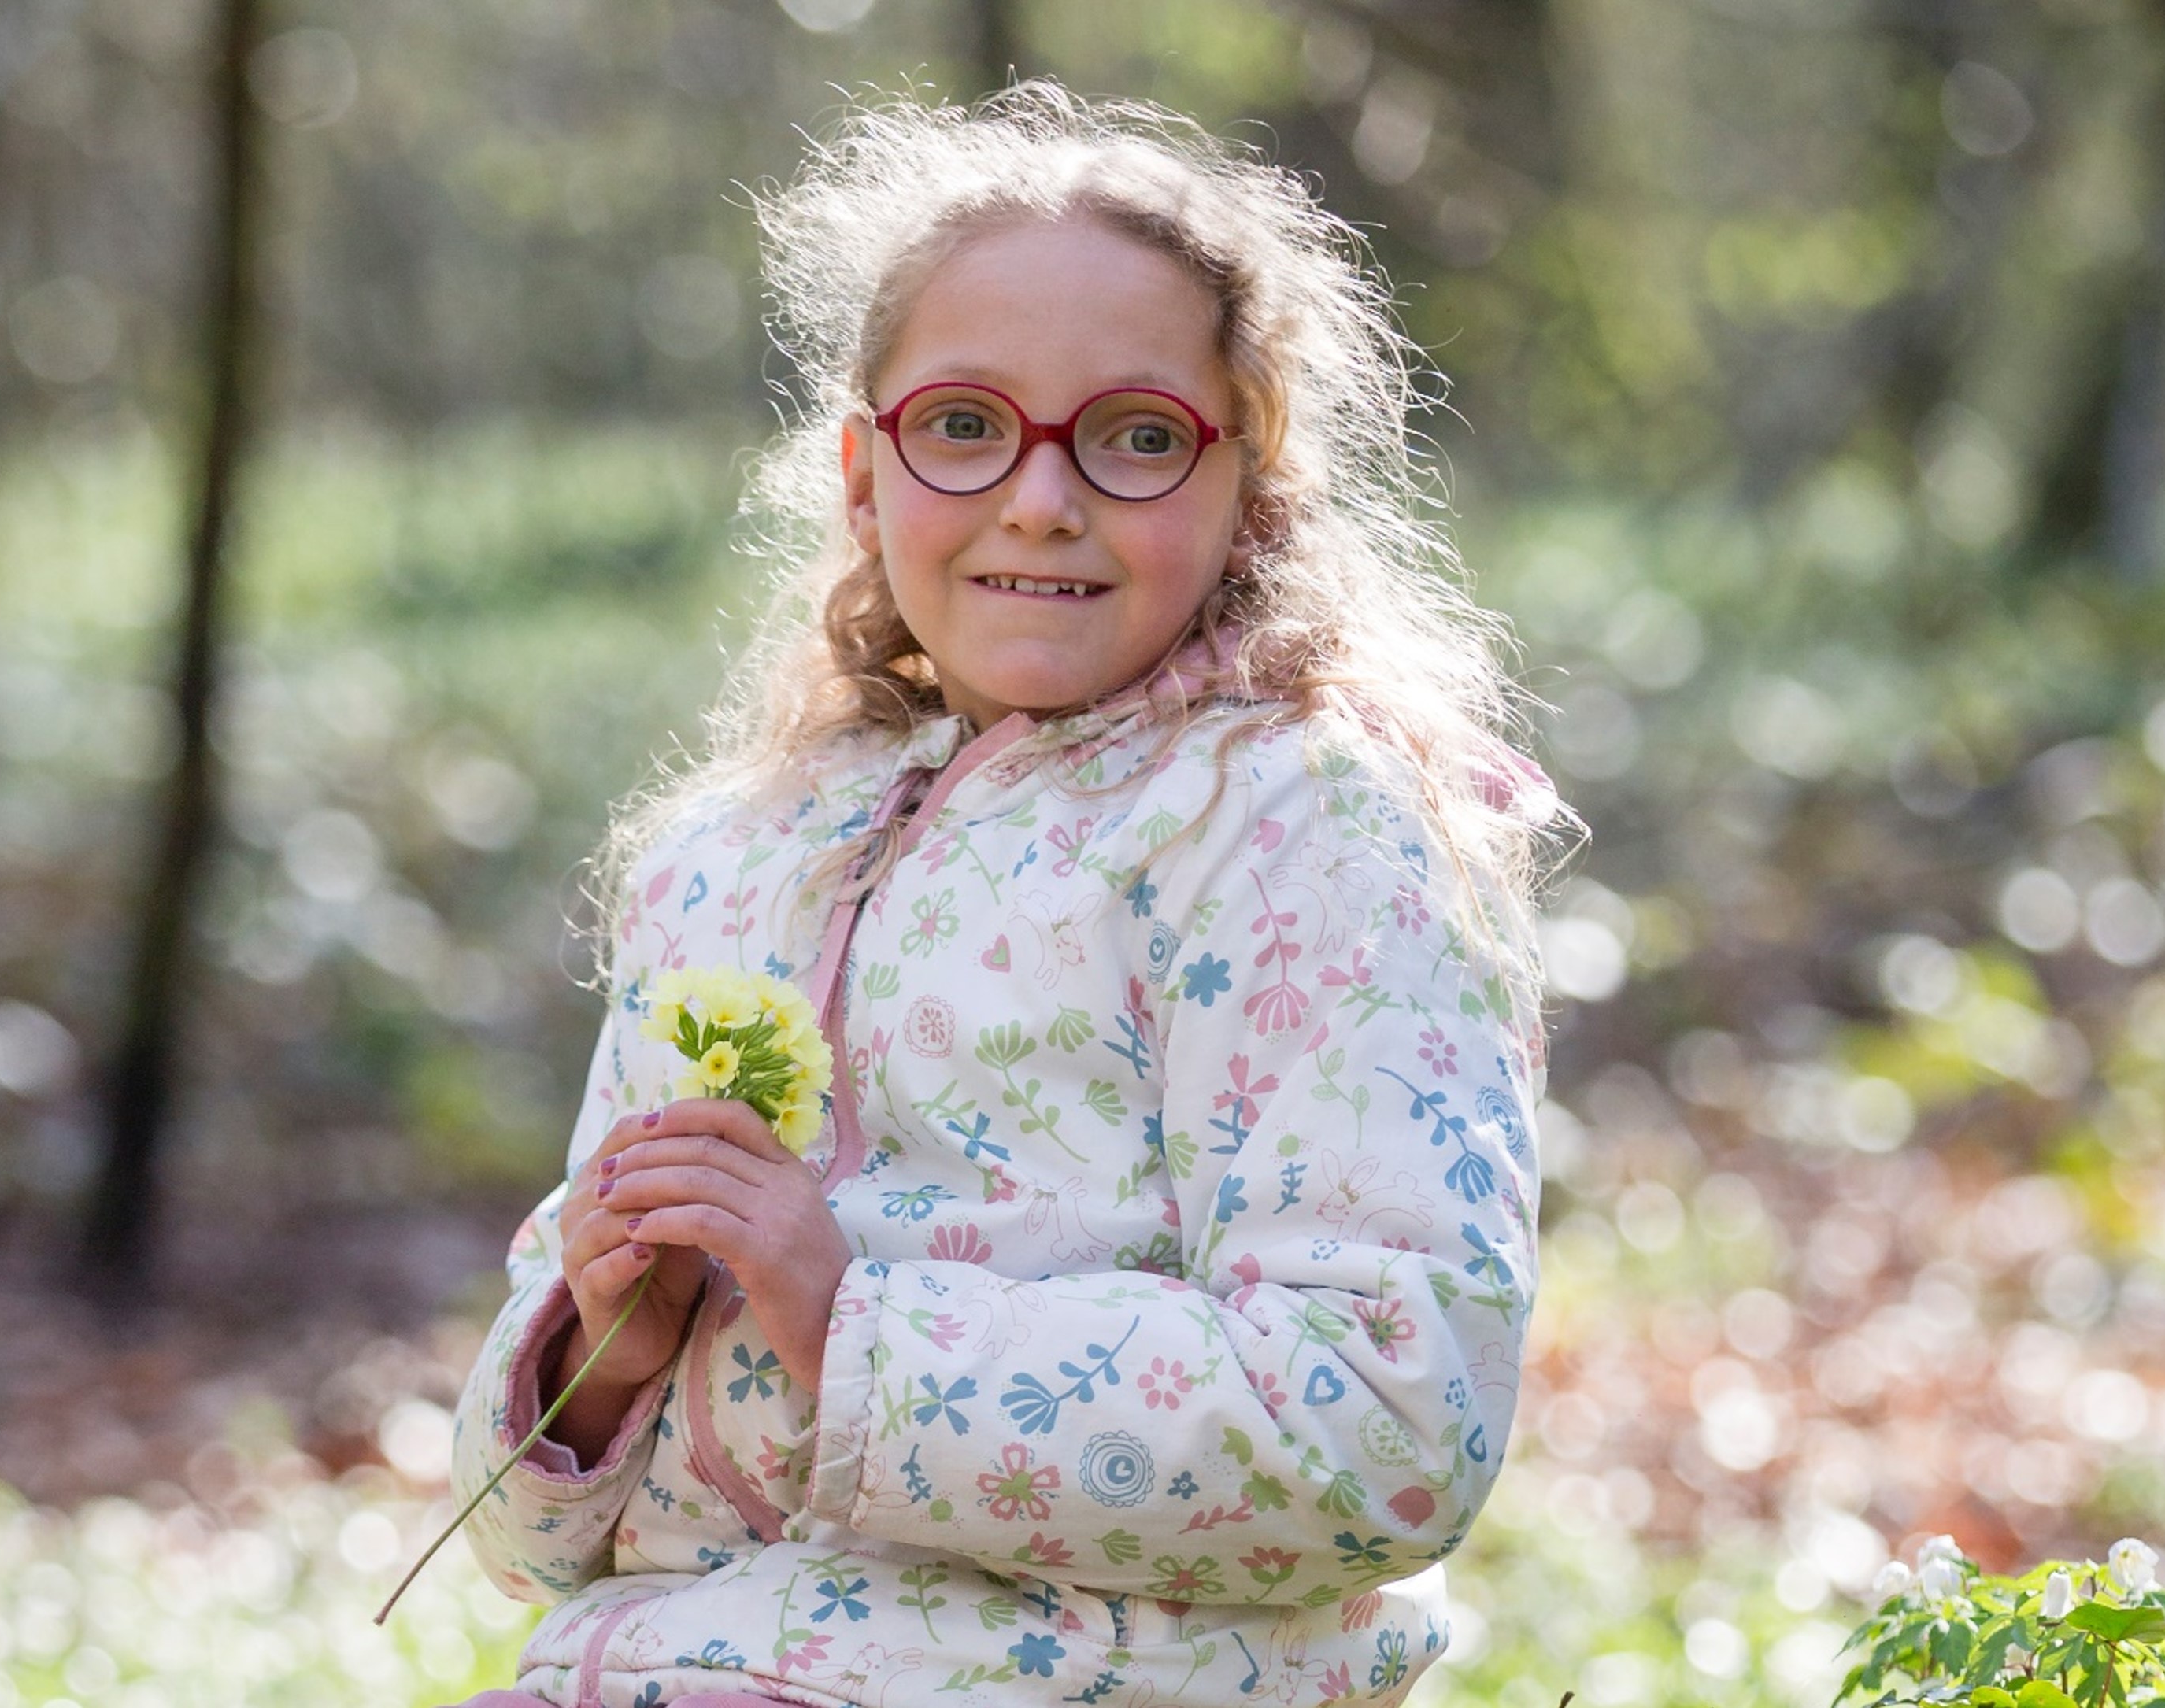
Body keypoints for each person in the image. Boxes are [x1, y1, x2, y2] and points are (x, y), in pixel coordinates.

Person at [441, 81, 1564, 1708]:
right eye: (964, 425)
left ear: (1248, 479)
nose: (1039, 497)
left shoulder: (1299, 831)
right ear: (860, 468)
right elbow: (531, 1542)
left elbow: (1392, 1422)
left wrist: (847, 1317)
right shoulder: (740, 853)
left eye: (1133, 435)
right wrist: (604, 1338)